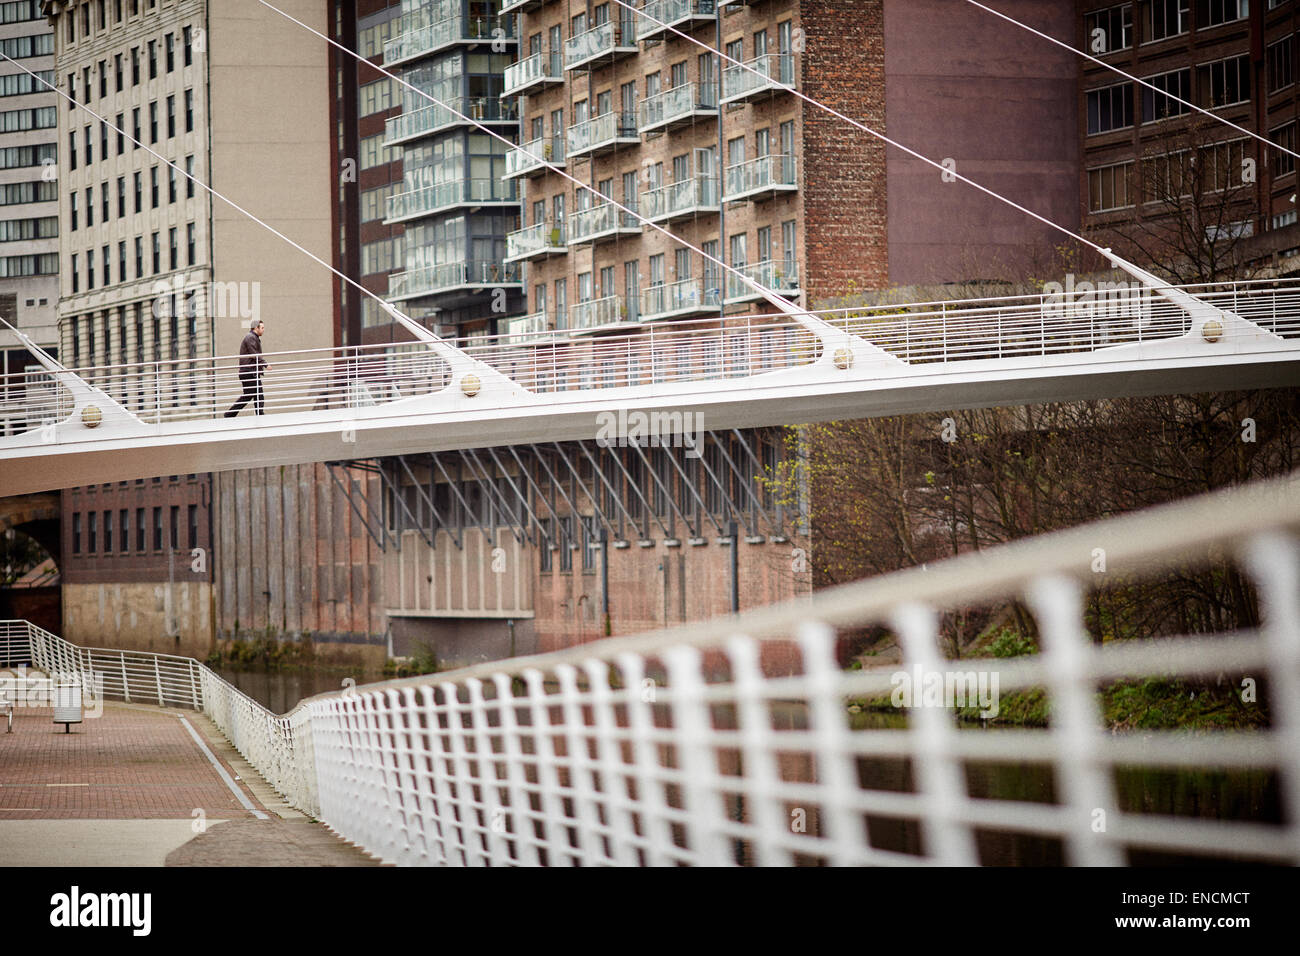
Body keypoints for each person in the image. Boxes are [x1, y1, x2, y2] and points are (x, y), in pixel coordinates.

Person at [224, 319, 269, 417]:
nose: (264, 330)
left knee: (251, 394)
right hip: (249, 372)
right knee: (257, 393)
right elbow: (254, 353)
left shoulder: (253, 337)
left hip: (249, 371)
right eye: (262, 328)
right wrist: (265, 364)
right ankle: (258, 413)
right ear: (256, 328)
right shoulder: (250, 337)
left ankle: (231, 413)